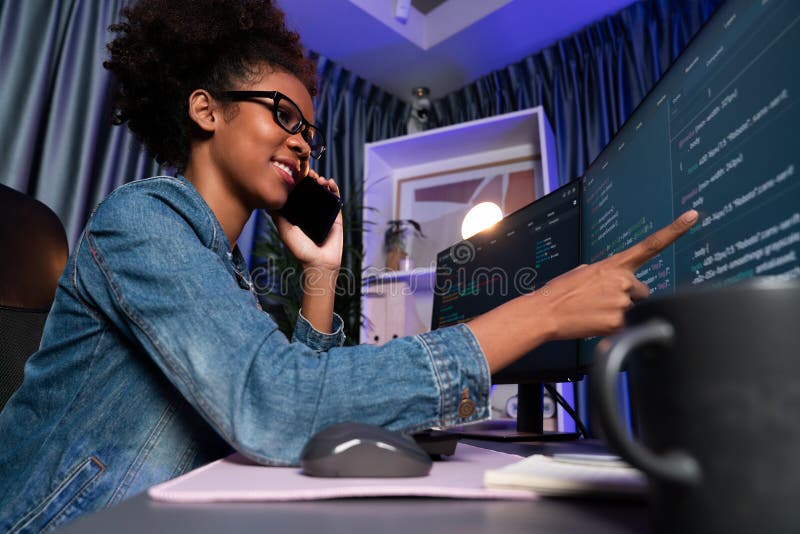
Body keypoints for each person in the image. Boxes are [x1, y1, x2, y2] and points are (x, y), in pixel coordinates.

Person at [0, 0, 698, 530]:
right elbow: (277, 406)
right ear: (206, 111)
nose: (303, 144)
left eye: (309, 129)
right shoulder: (142, 221)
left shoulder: (216, 266)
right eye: (282, 113)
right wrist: (543, 311)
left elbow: (294, 403)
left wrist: (321, 270)